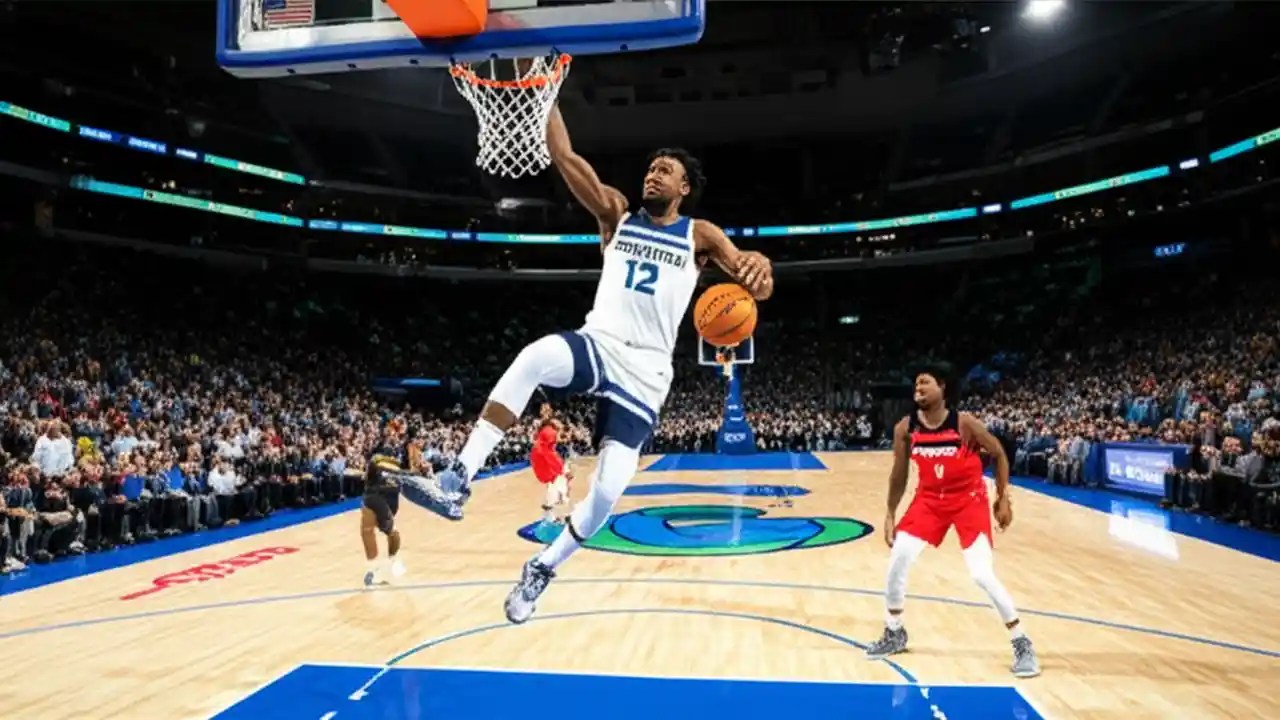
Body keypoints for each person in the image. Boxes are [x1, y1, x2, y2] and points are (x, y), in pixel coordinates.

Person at [430, 101, 774, 624]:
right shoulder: (616, 214)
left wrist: (760, 268)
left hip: (647, 371)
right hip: (600, 342)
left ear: (683, 187)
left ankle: (543, 566)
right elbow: (565, 155)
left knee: (608, 489)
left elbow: (754, 279)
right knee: (534, 357)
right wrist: (544, 95)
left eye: (665, 171)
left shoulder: (698, 234)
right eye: (651, 168)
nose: (653, 175)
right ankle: (459, 475)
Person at [864, 365, 1041, 678]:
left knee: (981, 574)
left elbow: (999, 453)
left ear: (942, 387)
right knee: (898, 558)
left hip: (968, 499)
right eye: (915, 383)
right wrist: (890, 513)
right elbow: (899, 474)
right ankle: (894, 631)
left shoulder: (964, 423)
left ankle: (1021, 641)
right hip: (929, 500)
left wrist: (1003, 498)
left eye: (925, 382)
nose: (918, 387)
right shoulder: (905, 428)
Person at [361, 445, 406, 587]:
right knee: (388, 531)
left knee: (369, 531)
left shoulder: (377, 460)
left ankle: (376, 567)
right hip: (388, 501)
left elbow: (368, 474)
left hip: (377, 498)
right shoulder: (397, 466)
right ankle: (390, 561)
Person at [530, 403, 573, 524]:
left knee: (559, 480)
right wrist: (563, 433)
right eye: (544, 409)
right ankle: (558, 510)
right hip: (544, 456)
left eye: (547, 409)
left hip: (545, 455)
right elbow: (556, 439)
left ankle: (552, 509)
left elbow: (559, 438)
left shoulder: (548, 426)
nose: (546, 411)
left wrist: (564, 433)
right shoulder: (545, 428)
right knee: (559, 479)